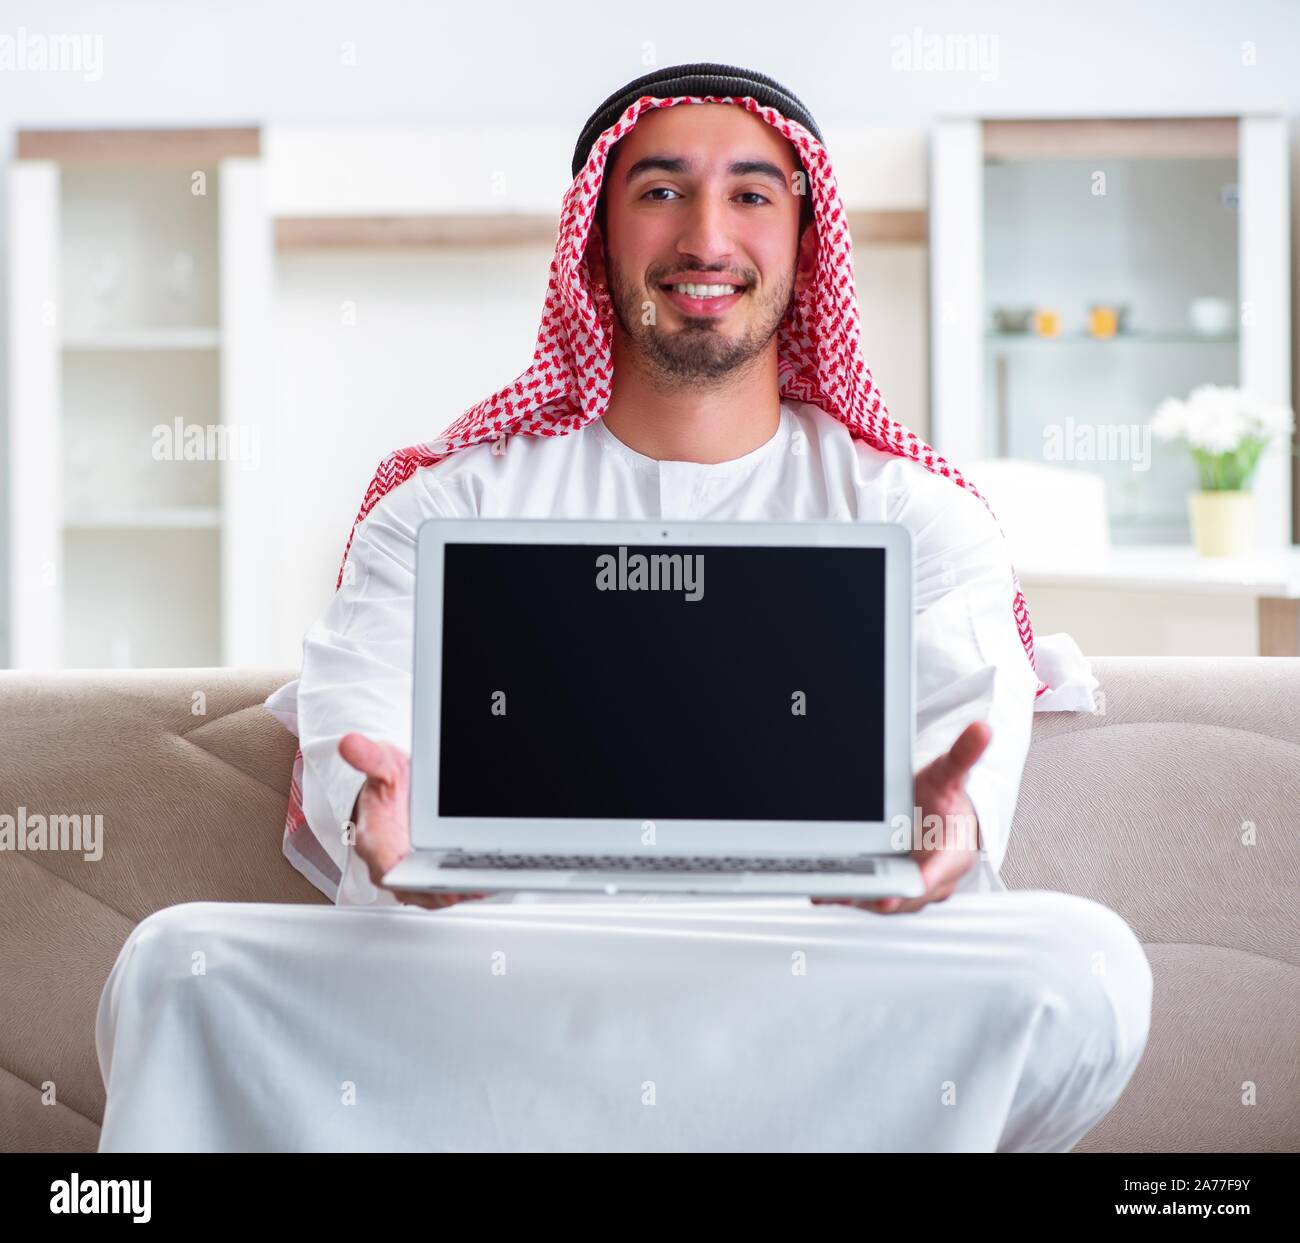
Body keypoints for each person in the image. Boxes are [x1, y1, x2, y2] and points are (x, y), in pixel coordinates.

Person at [95, 64, 1149, 1153]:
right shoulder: (443, 504)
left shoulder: (917, 517)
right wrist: (373, 824)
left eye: (750, 193)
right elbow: (359, 731)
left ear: (805, 235)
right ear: (595, 233)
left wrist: (941, 829)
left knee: (1084, 964)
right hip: (508, 976)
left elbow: (959, 777)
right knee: (181, 963)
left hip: (797, 974)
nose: (705, 236)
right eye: (659, 191)